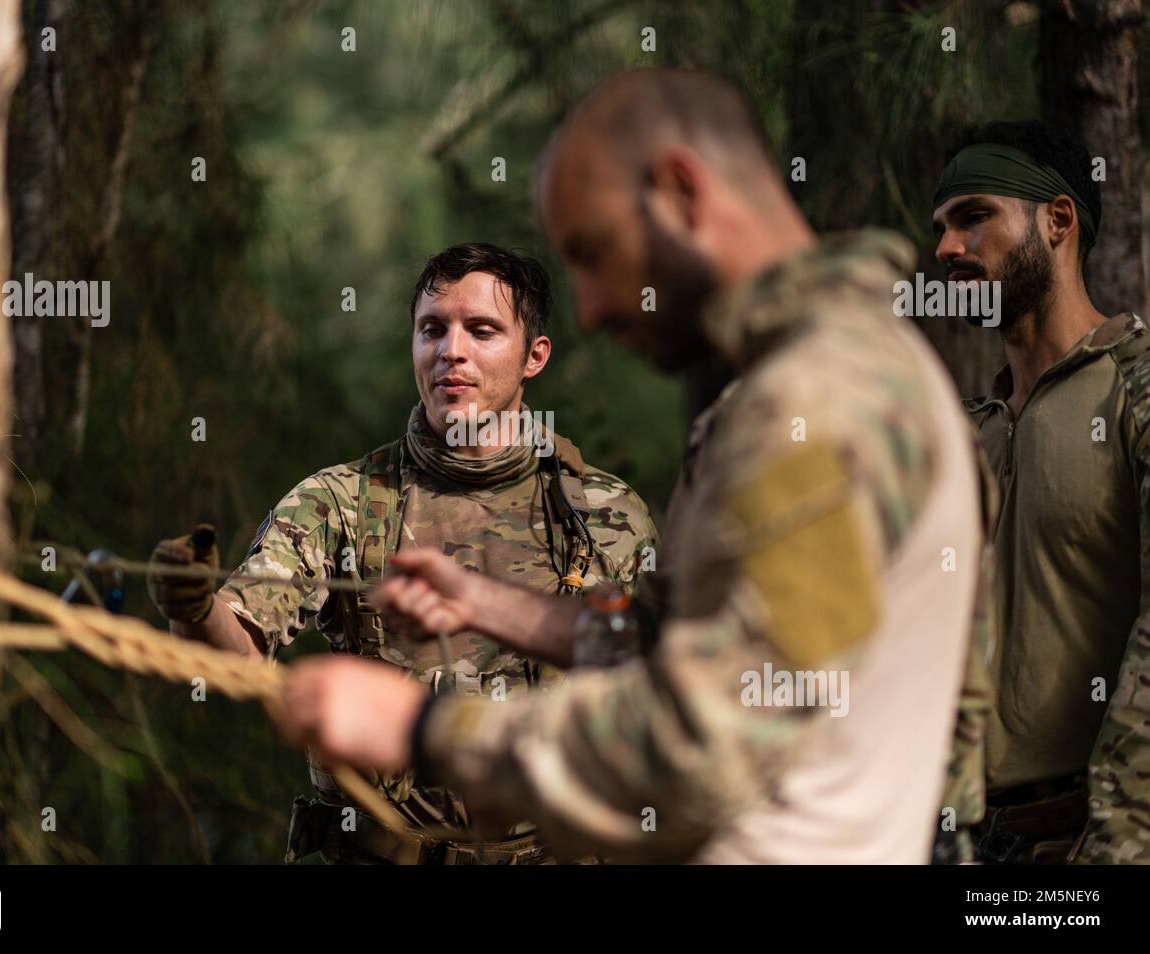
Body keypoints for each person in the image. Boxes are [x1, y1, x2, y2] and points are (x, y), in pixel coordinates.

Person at [277, 68, 989, 863]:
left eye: (593, 253)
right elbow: (675, 640)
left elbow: (699, 742)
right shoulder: (841, 374)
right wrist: (484, 602)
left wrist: (425, 729)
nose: (590, 307)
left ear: (681, 191)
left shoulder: (819, 405)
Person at [147, 242, 658, 864]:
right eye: (432, 329)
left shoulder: (607, 516)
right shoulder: (340, 501)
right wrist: (195, 607)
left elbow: (662, 690)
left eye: (483, 330)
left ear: (534, 356)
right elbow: (237, 658)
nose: (452, 351)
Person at [933, 121, 1150, 864]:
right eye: (940, 228)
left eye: (973, 217)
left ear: (1057, 221)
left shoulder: (1136, 391)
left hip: (1096, 839)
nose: (945, 250)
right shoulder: (955, 437)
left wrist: (1116, 841)